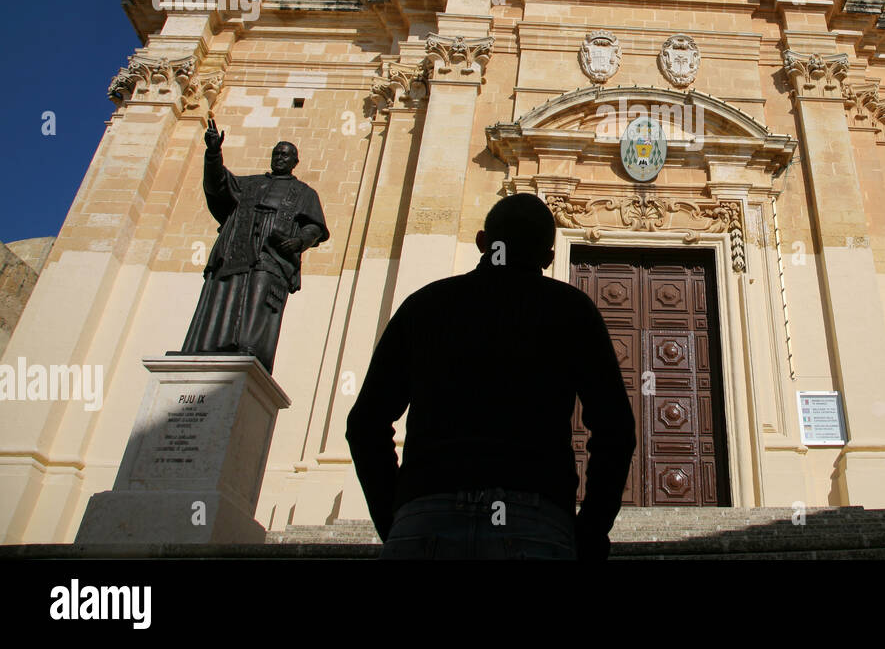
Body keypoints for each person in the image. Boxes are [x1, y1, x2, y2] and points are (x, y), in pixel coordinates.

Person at [346, 193, 636, 559]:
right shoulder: (572, 311)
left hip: (425, 517)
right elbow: (616, 430)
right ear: (549, 256)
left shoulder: (424, 306)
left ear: (483, 241)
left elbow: (365, 423)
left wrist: (397, 516)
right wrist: (591, 529)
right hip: (536, 521)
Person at [179, 118, 328, 374]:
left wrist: (299, 241)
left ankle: (250, 348)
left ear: (295, 162)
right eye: (277, 154)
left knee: (259, 298)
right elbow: (217, 185)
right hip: (237, 249)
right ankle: (210, 346)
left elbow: (314, 227)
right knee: (223, 295)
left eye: (285, 155)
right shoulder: (248, 184)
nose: (280, 158)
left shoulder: (305, 193)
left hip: (272, 256)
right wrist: (214, 153)